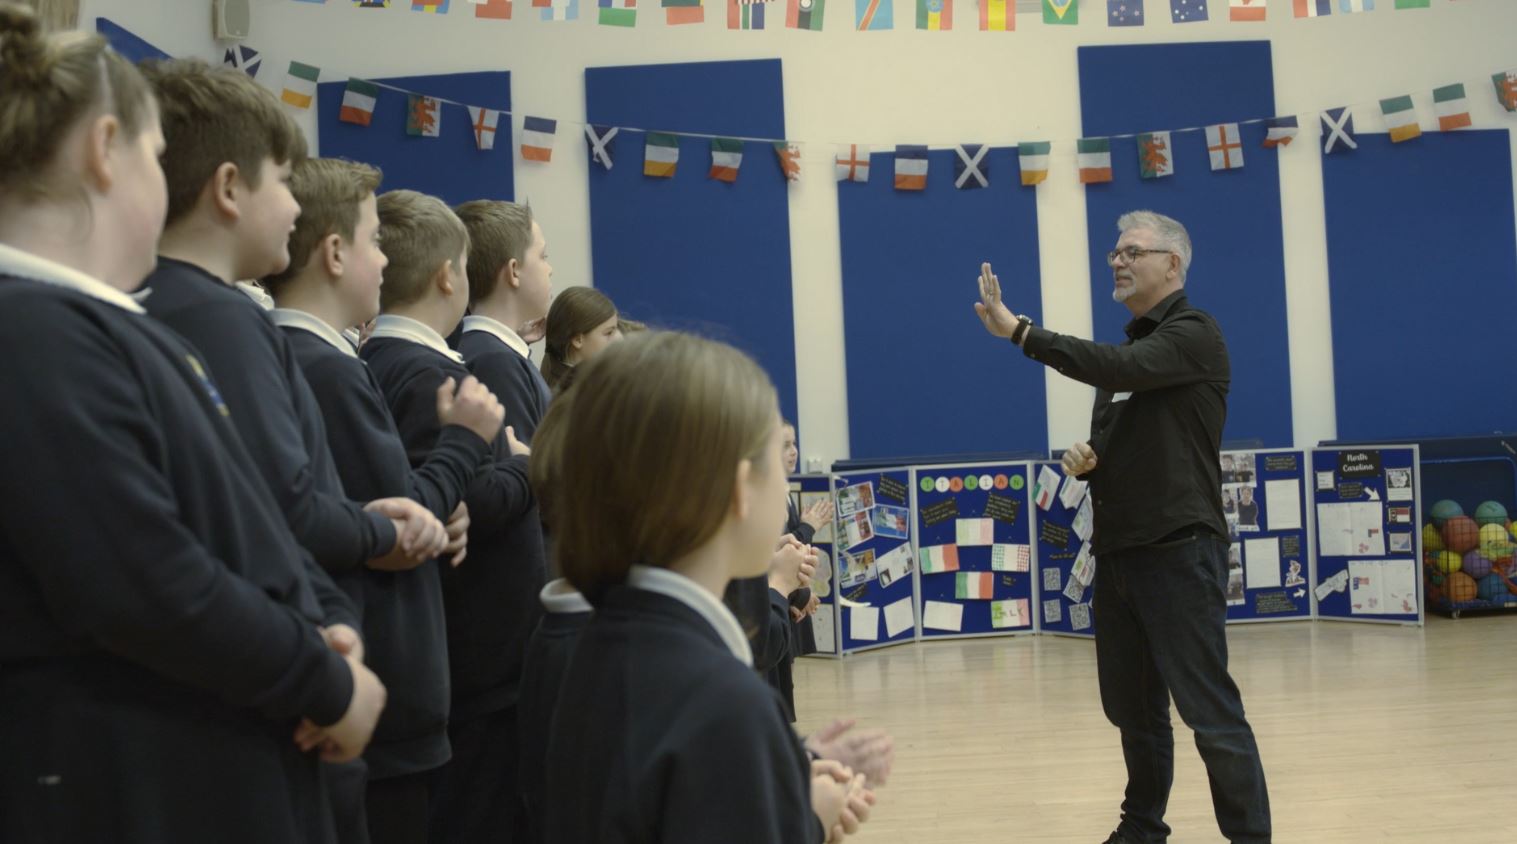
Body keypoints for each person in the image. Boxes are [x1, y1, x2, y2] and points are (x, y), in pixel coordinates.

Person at [0, 7, 384, 840]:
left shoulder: (103, 329)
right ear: (106, 151)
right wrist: (323, 678)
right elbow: (145, 581)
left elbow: (247, 525)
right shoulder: (35, 334)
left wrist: (330, 627)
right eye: (154, 156)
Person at [973, 210, 1271, 844]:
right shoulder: (1133, 354)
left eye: (1132, 250)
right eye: (1114, 251)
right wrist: (1090, 463)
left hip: (1180, 552)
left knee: (1208, 712)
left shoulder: (1194, 332)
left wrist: (1021, 332)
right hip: (1122, 554)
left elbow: (1117, 368)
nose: (1117, 259)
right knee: (1133, 712)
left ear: (1173, 263)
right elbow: (1125, 419)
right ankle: (1141, 829)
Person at [536, 332, 873, 843]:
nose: (787, 483)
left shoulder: (584, 642)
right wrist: (809, 821)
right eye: (774, 462)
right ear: (740, 491)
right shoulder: (722, 699)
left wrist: (781, 778)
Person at [262, 158, 507, 844]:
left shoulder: (323, 360)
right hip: (384, 693)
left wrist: (437, 507)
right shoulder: (328, 371)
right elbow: (396, 528)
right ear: (335, 253)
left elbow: (384, 507)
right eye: (373, 242)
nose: (383, 261)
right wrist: (461, 451)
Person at [360, 189, 542, 844]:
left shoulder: (421, 363)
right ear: (449, 275)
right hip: (476, 656)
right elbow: (444, 499)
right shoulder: (422, 371)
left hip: (477, 658)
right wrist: (523, 465)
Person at [454, 200, 555, 443]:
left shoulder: (494, 352)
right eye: (543, 256)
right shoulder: (497, 362)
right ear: (513, 271)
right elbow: (525, 469)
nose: (549, 269)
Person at [540, 285, 622, 393]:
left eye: (617, 329)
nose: (619, 338)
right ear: (578, 340)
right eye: (609, 333)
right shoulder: (572, 398)